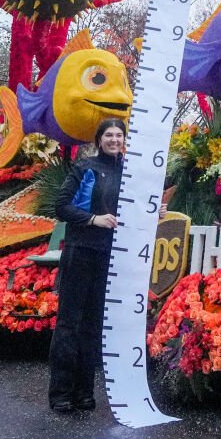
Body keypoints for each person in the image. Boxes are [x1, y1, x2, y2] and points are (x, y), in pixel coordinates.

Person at [48, 117, 126, 412]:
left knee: (93, 325)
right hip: (80, 251)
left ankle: (84, 391)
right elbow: (62, 206)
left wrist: (154, 210)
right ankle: (61, 393)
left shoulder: (131, 173)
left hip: (109, 256)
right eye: (109, 135)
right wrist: (93, 219)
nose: (114, 140)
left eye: (119, 135)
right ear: (99, 139)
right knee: (69, 323)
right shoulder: (85, 167)